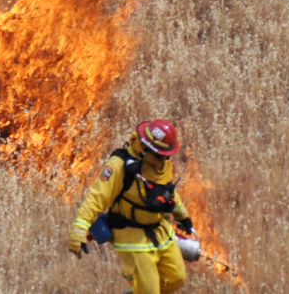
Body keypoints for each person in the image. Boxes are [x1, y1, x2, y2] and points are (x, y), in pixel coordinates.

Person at [67, 119, 195, 294]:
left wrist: (184, 217)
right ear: (147, 149)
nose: (166, 158)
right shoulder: (120, 166)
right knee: (149, 290)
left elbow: (167, 191)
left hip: (160, 231)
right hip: (131, 236)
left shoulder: (161, 164)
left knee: (176, 278)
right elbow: (96, 197)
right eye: (162, 155)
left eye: (167, 155)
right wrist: (79, 230)